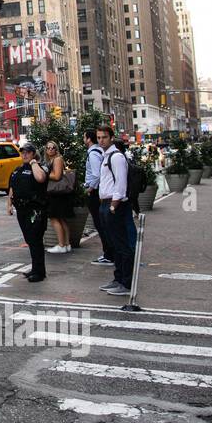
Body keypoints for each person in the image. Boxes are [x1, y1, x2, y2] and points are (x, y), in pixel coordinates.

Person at [97, 125, 135, 296]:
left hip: (115, 204)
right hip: (106, 203)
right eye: (98, 137)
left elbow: (120, 183)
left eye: (104, 137)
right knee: (114, 244)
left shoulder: (116, 157)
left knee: (121, 245)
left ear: (111, 138)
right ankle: (118, 279)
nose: (101, 140)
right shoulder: (106, 156)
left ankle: (126, 283)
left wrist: (113, 205)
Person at [7, 143, 50, 283]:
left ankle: (39, 272)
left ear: (33, 153)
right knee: (30, 240)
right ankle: (35, 268)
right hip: (22, 210)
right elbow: (12, 188)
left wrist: (33, 163)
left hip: (35, 210)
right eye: (23, 152)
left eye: (28, 152)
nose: (24, 155)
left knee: (35, 239)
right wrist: (9, 205)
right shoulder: (17, 170)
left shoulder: (39, 167)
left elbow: (40, 178)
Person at [83, 128, 114, 267]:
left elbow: (96, 174)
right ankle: (109, 252)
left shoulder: (93, 154)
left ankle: (109, 254)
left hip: (95, 192)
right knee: (102, 224)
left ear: (88, 139)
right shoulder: (99, 152)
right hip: (99, 192)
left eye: (84, 137)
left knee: (100, 224)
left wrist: (90, 188)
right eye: (99, 137)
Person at [43, 141, 73, 254]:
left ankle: (61, 245)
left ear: (57, 149)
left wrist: (44, 173)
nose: (50, 150)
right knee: (61, 219)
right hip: (58, 194)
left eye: (53, 148)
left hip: (56, 193)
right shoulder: (52, 159)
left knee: (55, 218)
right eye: (48, 148)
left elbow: (57, 176)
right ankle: (66, 244)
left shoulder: (57, 159)